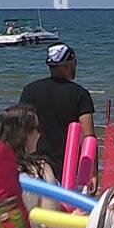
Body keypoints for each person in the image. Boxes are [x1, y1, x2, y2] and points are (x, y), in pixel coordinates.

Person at [19, 44, 97, 191]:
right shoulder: (80, 94)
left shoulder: (29, 90)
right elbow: (88, 137)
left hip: (35, 167)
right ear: (68, 65)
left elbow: (21, 128)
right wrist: (91, 173)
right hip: (67, 169)